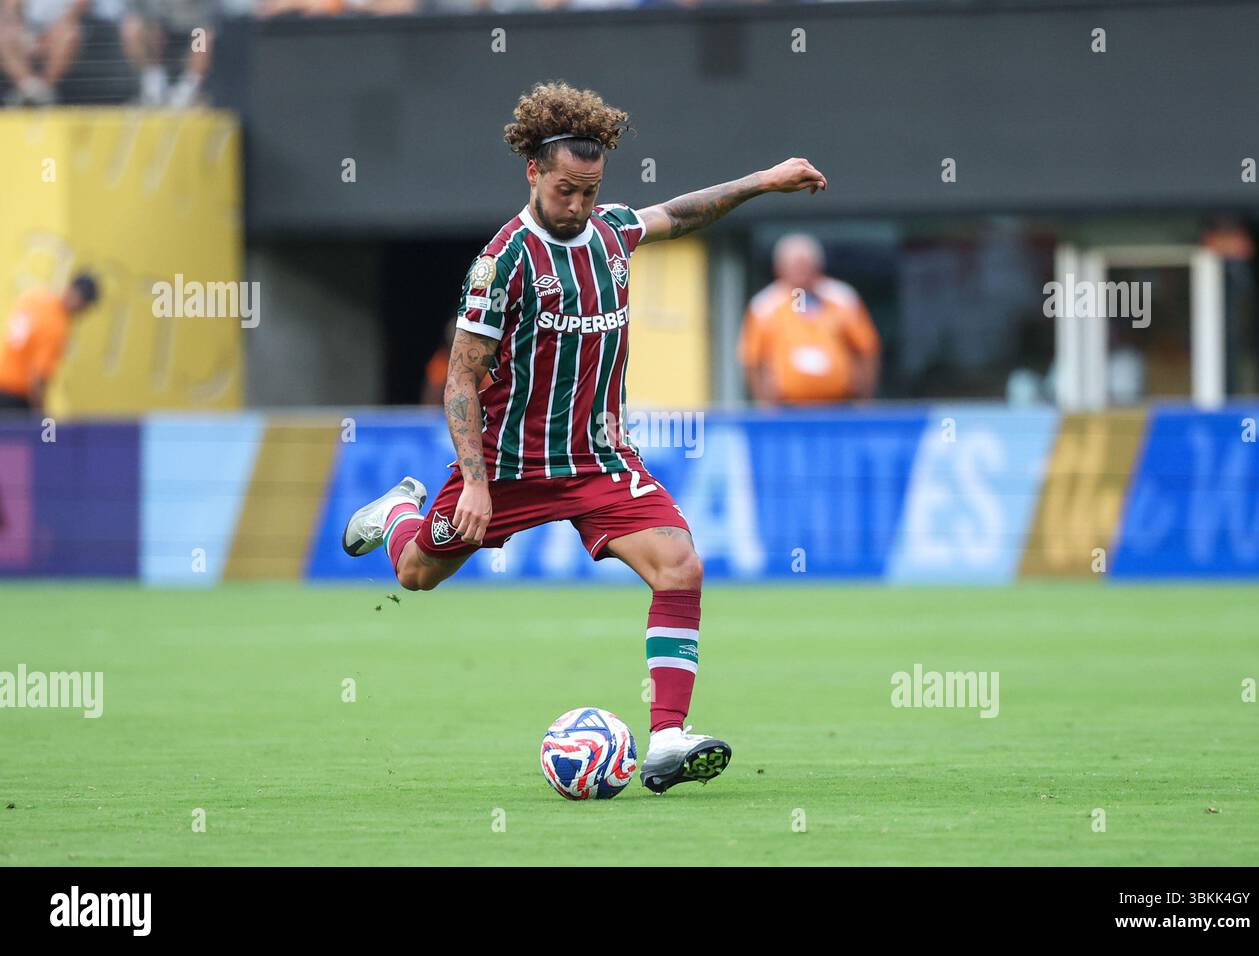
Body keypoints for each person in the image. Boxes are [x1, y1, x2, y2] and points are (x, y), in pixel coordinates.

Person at [341, 80, 826, 795]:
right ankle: (397, 513)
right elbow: (461, 381)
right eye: (567, 189)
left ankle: (665, 739)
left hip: (598, 457)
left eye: (591, 191)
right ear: (533, 171)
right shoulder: (500, 264)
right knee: (416, 573)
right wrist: (474, 483)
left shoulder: (613, 233)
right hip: (507, 466)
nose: (578, 206)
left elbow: (685, 212)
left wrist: (766, 180)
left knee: (680, 566)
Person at [738, 233, 880, 404]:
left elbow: (868, 349)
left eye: (805, 265)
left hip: (840, 406)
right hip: (785, 409)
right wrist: (764, 404)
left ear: (818, 266)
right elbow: (752, 360)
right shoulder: (764, 306)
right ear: (779, 268)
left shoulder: (842, 298)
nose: (801, 272)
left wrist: (864, 400)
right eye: (795, 266)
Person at [0, 272, 98, 412]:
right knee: (33, 433)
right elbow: (38, 378)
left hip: (3, 382)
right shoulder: (57, 324)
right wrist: (41, 415)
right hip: (16, 395)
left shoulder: (35, 298)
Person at [0, 0, 90, 106]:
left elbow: (76, 11)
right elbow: (10, 10)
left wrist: (49, 37)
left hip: (60, 30)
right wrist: (24, 35)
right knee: (3, 36)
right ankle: (31, 88)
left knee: (68, 36)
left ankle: (40, 90)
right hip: (25, 31)